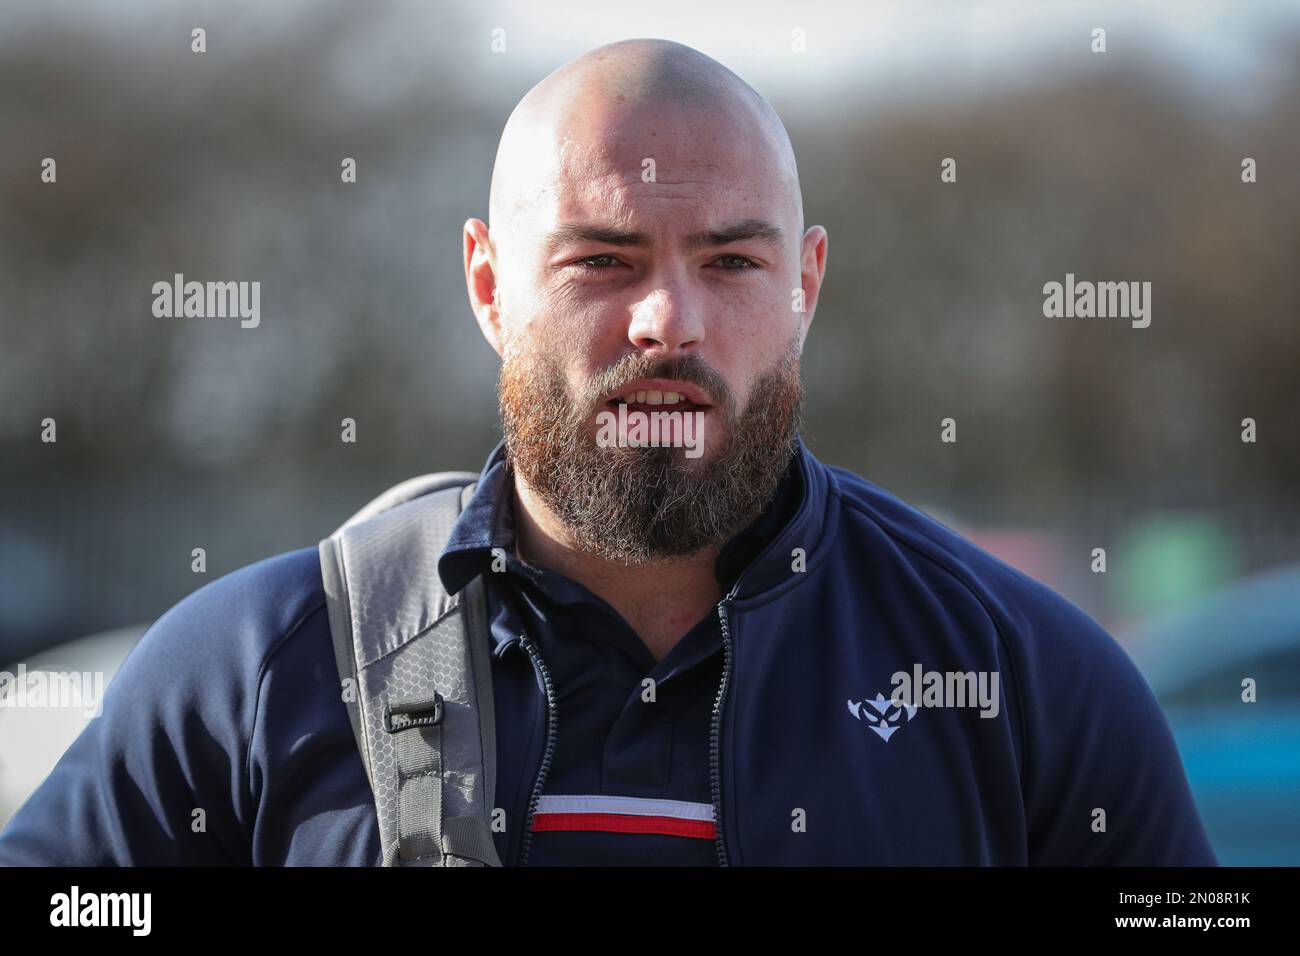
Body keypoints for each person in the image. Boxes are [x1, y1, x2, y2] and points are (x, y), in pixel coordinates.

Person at [0, 38, 1216, 866]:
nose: (668, 321)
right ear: (488, 283)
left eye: (731, 262)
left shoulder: (1029, 685)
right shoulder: (247, 676)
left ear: (805, 285)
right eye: (603, 261)